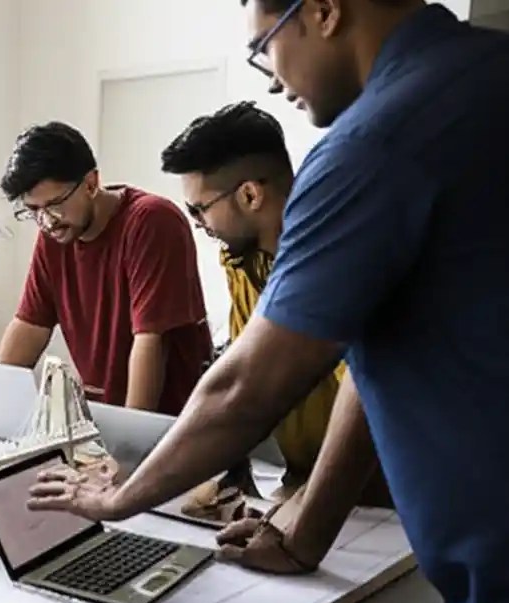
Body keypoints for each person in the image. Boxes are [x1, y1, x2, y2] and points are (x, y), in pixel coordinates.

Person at [27, 1, 509, 603]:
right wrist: (306, 530)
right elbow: (378, 361)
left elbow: (246, 386)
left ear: (324, 12)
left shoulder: (374, 144)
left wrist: (118, 497)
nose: (272, 79)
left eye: (265, 46)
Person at [160, 100, 390, 508]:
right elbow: (246, 378)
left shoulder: (335, 254)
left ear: (249, 194)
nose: (197, 222)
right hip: (298, 484)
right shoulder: (238, 256)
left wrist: (307, 512)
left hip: (369, 496)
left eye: (199, 208)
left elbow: (370, 411)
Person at [0, 121, 213, 414]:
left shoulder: (151, 222)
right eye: (34, 211)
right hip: (107, 421)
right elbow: (30, 325)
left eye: (55, 204)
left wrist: (130, 438)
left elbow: (151, 341)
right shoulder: (55, 236)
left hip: (173, 424)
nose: (47, 221)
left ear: (91, 183)